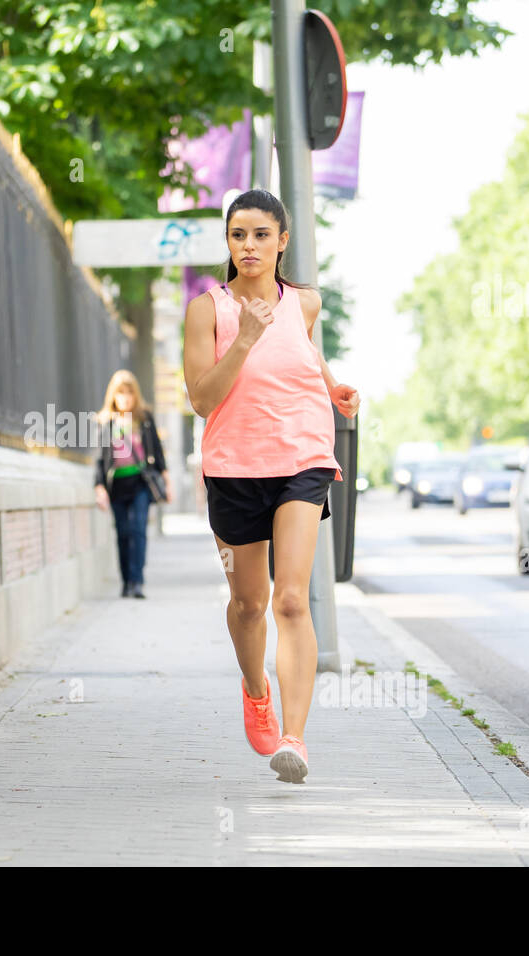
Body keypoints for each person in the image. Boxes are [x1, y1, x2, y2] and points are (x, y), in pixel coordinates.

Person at [182, 188, 360, 784]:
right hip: (233, 468)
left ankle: (296, 738)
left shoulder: (304, 303)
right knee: (249, 604)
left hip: (302, 459)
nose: (249, 246)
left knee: (291, 599)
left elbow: (307, 357)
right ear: (228, 244)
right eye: (238, 235)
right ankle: (256, 690)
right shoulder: (208, 309)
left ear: (282, 240)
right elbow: (203, 400)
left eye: (261, 235)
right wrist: (245, 339)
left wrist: (334, 389)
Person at [93, 370, 172, 598]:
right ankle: (126, 581)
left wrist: (167, 482)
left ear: (136, 395)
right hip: (116, 484)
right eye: (121, 393)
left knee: (138, 529)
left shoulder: (145, 419)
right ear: (113, 396)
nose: (126, 397)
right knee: (122, 533)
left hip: (141, 482)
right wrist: (99, 488)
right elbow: (99, 460)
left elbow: (157, 451)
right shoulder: (106, 422)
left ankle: (137, 582)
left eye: (129, 393)